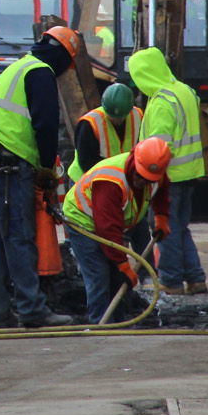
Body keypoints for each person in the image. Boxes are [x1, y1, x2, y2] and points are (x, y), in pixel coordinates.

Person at [0, 25, 82, 328]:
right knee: (18, 236)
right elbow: (45, 128)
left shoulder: (18, 67)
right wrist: (46, 171)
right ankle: (32, 310)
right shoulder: (42, 72)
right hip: (7, 163)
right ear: (62, 57)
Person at [63, 138, 173, 325]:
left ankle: (117, 321)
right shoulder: (111, 180)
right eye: (141, 176)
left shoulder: (153, 171)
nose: (143, 181)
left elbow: (161, 189)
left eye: (148, 179)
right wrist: (123, 265)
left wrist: (161, 217)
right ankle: (101, 323)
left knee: (115, 276)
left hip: (110, 224)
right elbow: (107, 229)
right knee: (99, 274)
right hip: (82, 221)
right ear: (135, 161)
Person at [127, 46, 207, 295]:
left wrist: (147, 177)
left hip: (171, 175)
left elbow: (159, 148)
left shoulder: (161, 102)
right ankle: (196, 279)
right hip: (191, 171)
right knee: (181, 227)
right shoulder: (184, 91)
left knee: (164, 228)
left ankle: (171, 281)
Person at [69, 82, 143, 181]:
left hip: (119, 178)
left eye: (120, 117)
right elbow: (86, 161)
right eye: (112, 116)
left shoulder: (138, 117)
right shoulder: (90, 123)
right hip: (86, 179)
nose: (116, 120)